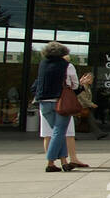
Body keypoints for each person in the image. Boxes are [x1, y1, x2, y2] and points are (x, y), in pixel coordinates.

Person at [34, 40, 79, 172]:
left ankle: (65, 162)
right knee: (59, 132)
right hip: (60, 102)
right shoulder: (67, 65)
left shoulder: (42, 64)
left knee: (57, 133)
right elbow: (75, 84)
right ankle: (50, 162)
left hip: (43, 102)